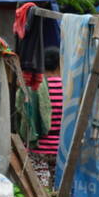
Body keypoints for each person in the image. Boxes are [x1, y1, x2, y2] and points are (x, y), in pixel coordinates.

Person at [29, 47, 63, 188]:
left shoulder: (36, 87)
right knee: (60, 186)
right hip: (61, 146)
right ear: (59, 64)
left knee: (40, 189)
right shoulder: (66, 87)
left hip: (39, 146)